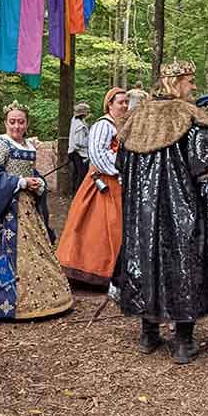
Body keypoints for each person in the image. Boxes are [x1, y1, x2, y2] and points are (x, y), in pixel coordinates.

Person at [115, 60, 208, 364]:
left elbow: (122, 167)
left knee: (146, 262)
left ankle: (149, 334)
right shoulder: (192, 118)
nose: (193, 87)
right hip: (184, 211)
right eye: (190, 81)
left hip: (142, 215)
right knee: (185, 265)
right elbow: (207, 168)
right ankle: (183, 342)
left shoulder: (136, 118)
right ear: (177, 82)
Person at [0, 101, 72, 320]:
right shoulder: (0, 145)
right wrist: (21, 182)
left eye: (21, 122)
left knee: (37, 254)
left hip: (28, 211)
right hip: (3, 209)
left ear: (27, 124)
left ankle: (38, 301)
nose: (16, 126)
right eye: (12, 122)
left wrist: (38, 183)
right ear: (6, 122)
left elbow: (32, 171)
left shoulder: (29, 145)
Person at [56, 88, 128, 287]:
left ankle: (111, 270)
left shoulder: (120, 126)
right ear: (109, 104)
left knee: (114, 227)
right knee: (94, 226)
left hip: (117, 182)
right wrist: (119, 169)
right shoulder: (103, 126)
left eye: (126, 102)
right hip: (101, 183)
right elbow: (97, 153)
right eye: (120, 102)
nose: (124, 105)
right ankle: (88, 271)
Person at [68, 102, 90, 195]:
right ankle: (78, 194)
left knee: (76, 174)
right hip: (79, 153)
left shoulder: (75, 121)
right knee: (81, 175)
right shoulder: (80, 126)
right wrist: (88, 143)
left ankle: (75, 193)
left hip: (74, 152)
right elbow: (79, 142)